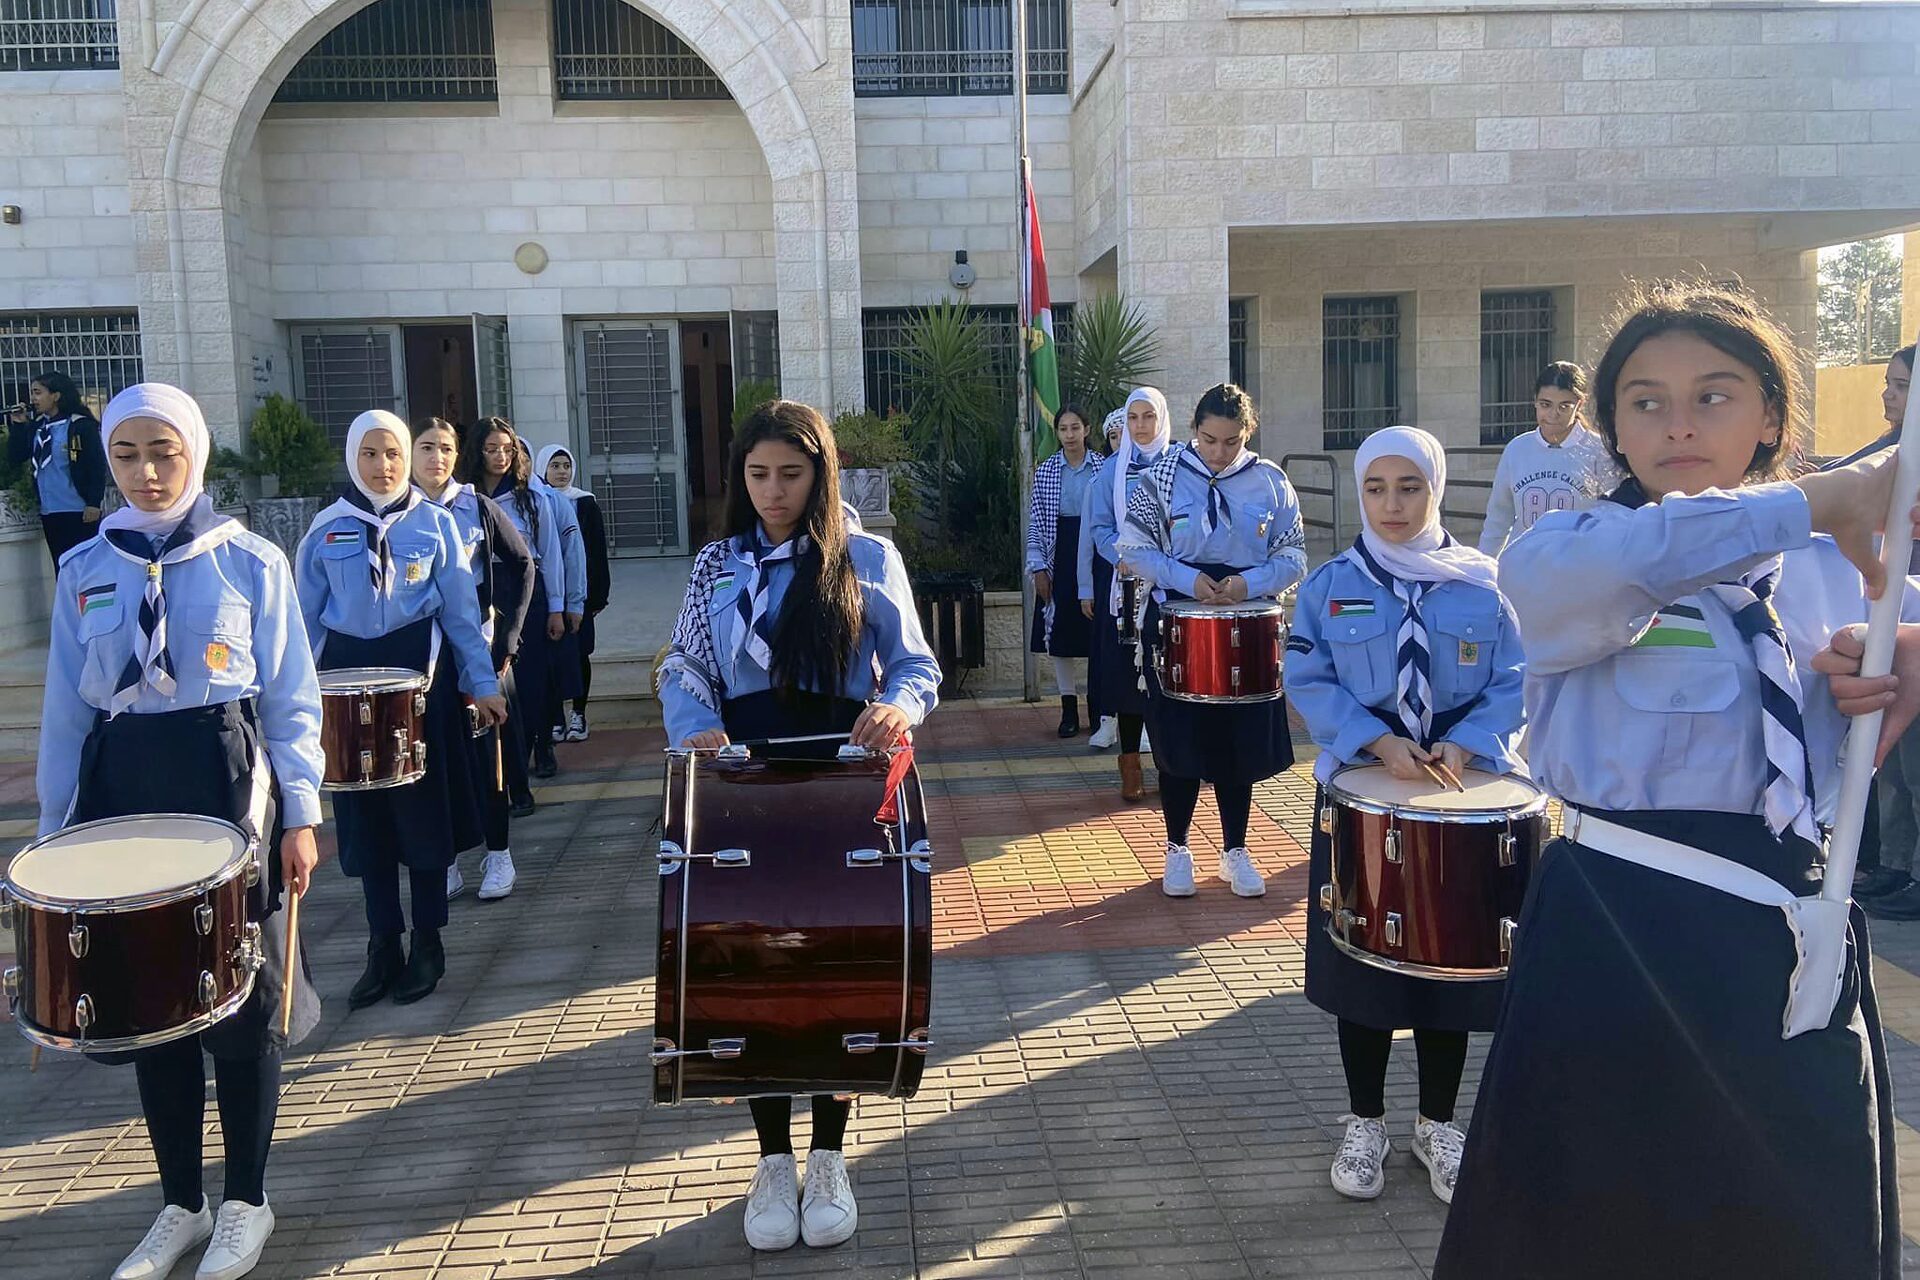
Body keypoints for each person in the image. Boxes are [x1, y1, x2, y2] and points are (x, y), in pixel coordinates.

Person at [1436, 281, 1903, 1279]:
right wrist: (1816, 495)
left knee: (1788, 1224)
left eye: (1715, 395)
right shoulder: (1568, 549)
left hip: (1791, 930)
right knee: (1608, 1227)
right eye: (1645, 401)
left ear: (1773, 413)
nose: (1677, 424)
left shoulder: (1840, 558)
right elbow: (1652, 557)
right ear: (1611, 426)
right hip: (1620, 931)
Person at [38, 383, 326, 1280]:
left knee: (238, 1001)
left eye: (164, 451)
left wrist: (304, 814)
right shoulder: (85, 568)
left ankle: (247, 1196)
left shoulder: (249, 562)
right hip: (122, 793)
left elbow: (290, 699)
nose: (148, 472)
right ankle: (180, 1203)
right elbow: (62, 714)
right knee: (149, 1008)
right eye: (126, 455)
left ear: (195, 451)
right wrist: (53, 834)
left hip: (224, 784)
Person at [658, 400, 940, 1253]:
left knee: (835, 967)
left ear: (820, 474)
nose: (773, 492)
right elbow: (684, 663)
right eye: (757, 475)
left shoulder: (863, 556)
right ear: (738, 478)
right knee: (751, 968)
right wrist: (693, 723)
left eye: (791, 474)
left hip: (838, 784)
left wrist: (896, 704)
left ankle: (828, 1156)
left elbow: (917, 665)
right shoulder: (716, 564)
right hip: (746, 782)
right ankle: (771, 1159)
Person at [1283, 425, 1525, 1205]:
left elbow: (1517, 679)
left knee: (1446, 969)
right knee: (1366, 970)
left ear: (1438, 487)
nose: (1393, 505)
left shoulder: (1485, 585)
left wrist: (1467, 746)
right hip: (1361, 795)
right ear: (1360, 491)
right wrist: (1374, 741)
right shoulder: (1330, 585)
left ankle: (1437, 1124)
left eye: (1410, 487)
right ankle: (1365, 1123)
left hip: (1455, 806)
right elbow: (1309, 675)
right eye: (1378, 488)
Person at [295, 412, 507, 1009]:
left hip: (422, 686)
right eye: (370, 453)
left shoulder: (435, 526)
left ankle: (429, 943)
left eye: (392, 453)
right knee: (367, 826)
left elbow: (463, 616)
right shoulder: (325, 530)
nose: (383, 465)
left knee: (422, 821)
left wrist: (483, 684)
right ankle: (382, 943)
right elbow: (303, 623)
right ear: (351, 457)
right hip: (345, 693)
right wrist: (297, 701)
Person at [1117, 384, 1305, 897]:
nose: (1218, 453)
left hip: (1243, 626)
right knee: (1180, 742)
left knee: (1235, 745)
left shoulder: (1271, 483)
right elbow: (1132, 548)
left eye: (1230, 442)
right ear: (1194, 428)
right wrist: (1186, 579)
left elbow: (1294, 556)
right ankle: (1177, 848)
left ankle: (1234, 852)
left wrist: (1248, 584)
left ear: (1248, 435)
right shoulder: (1160, 477)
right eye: (1208, 439)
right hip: (1180, 621)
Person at [413, 418, 535, 903]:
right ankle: (445, 862)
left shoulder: (476, 506)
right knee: (434, 762)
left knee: (490, 760)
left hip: (478, 656)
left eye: (445, 448)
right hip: (422, 663)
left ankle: (499, 854)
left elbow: (522, 564)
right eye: (426, 447)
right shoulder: (398, 513)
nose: (436, 458)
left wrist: (507, 638)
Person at [1843, 344, 1920, 917]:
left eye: (1900, 385)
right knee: (1891, 763)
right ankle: (1894, 866)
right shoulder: (1887, 456)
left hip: (1913, 633)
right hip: (1885, 630)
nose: (1887, 395)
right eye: (1889, 383)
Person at [457, 418, 562, 813]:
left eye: (507, 449)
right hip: (480, 594)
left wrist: (559, 607)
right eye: (491, 449)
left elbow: (546, 556)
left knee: (523, 688)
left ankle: (535, 758)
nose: (501, 456)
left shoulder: (531, 496)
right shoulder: (463, 498)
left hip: (523, 593)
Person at [1079, 389, 1170, 798]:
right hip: (1129, 588)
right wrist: (1125, 554)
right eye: (1133, 417)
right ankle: (1131, 767)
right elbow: (1099, 526)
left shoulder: (1182, 464)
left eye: (1149, 416)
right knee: (1130, 681)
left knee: (1171, 677)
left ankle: (1173, 765)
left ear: (1162, 418)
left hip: (1172, 586)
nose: (1140, 425)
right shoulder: (1113, 470)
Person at [1477, 360, 1615, 555]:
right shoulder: (1517, 449)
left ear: (1580, 404)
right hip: (1523, 565)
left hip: (1578, 567)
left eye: (1564, 406)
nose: (1553, 414)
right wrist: (1483, 569)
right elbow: (1498, 519)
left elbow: (1612, 521)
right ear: (1535, 400)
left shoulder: (1599, 451)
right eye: (1545, 404)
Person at [1024, 404, 1100, 737]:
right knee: (1060, 638)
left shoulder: (1103, 468)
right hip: (1060, 554)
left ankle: (1101, 710)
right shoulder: (1046, 471)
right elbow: (1036, 522)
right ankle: (1068, 710)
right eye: (1063, 429)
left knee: (1099, 635)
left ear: (1086, 429)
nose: (1069, 435)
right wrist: (1039, 567)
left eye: (1075, 428)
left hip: (1097, 554)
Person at [535, 444, 611, 743]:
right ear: (543, 469)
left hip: (579, 598)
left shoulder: (586, 503)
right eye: (555, 466)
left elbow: (595, 552)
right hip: (548, 597)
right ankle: (555, 718)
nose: (562, 471)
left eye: (566, 465)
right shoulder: (537, 502)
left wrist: (596, 597)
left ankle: (578, 715)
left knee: (580, 655)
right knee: (551, 659)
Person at [8, 369, 107, 563]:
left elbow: (95, 466)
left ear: (55, 395)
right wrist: (19, 426)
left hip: (78, 509)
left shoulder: (80, 425)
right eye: (32, 394)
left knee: (83, 564)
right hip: (50, 510)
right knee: (61, 566)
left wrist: (94, 502)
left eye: (38, 392)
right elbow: (17, 457)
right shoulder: (38, 427)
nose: (33, 399)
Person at [1085, 406, 1127, 749]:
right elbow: (1091, 535)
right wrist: (1087, 586)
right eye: (1113, 437)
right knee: (1108, 651)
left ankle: (1143, 727)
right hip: (1109, 573)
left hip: (1152, 579)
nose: (1120, 442)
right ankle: (1107, 720)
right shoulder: (1101, 478)